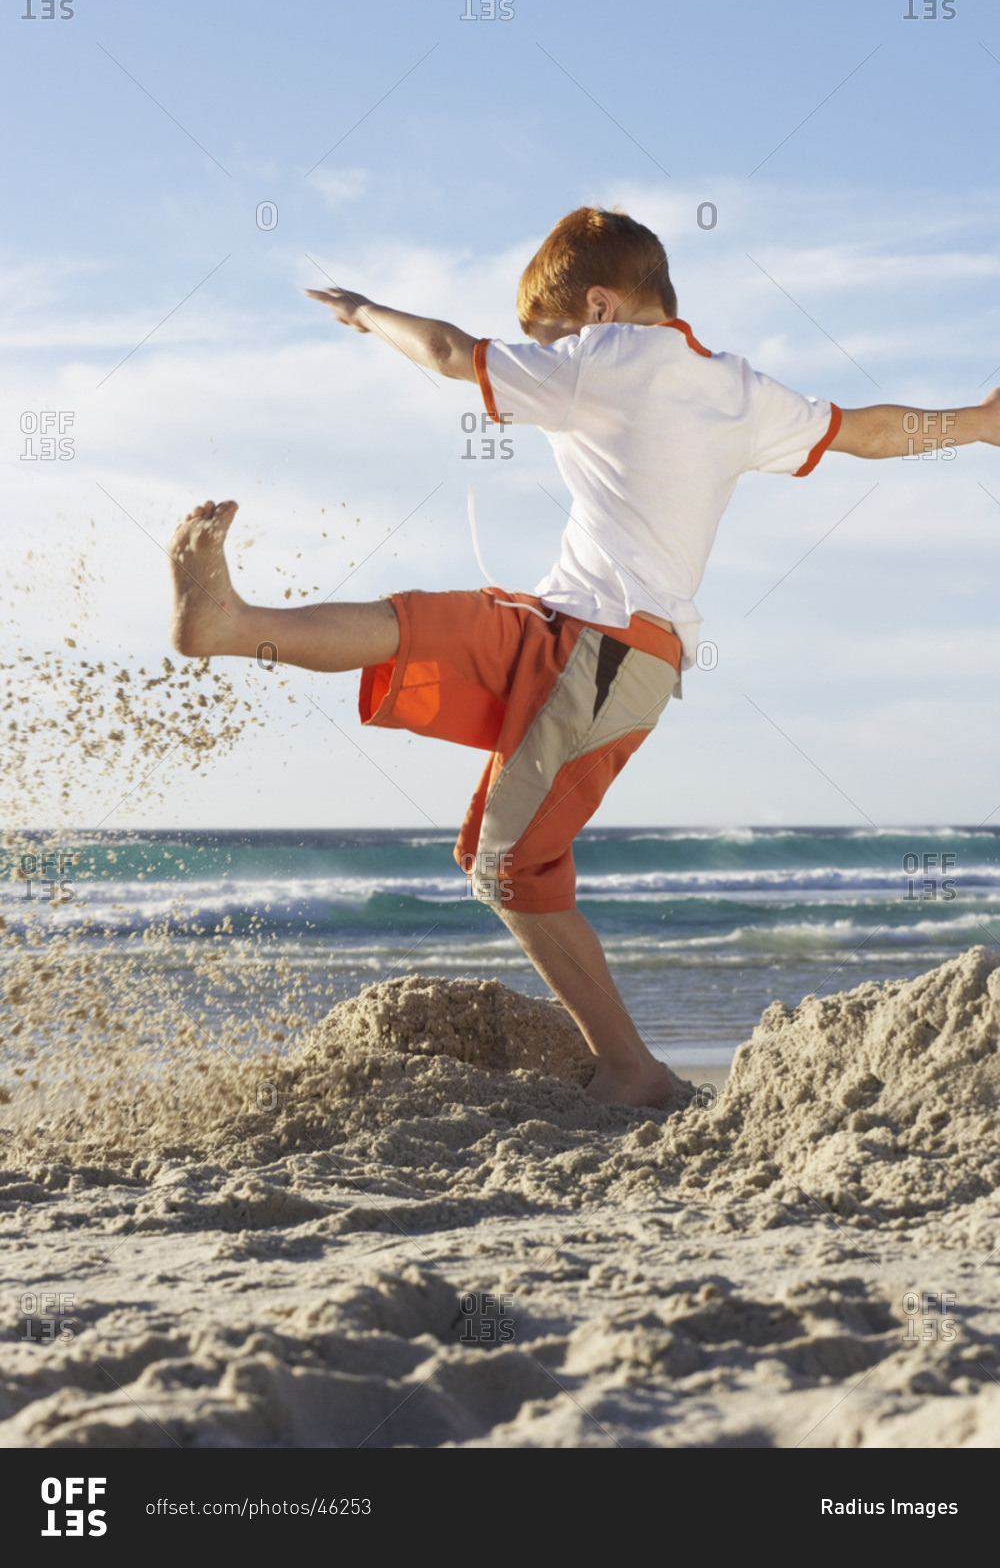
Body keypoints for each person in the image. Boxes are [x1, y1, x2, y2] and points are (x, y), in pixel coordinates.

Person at [167, 206, 1000, 1107]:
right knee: (414, 624)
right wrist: (979, 423)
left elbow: (450, 353)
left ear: (598, 306)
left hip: (610, 653)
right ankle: (226, 622)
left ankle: (630, 1068)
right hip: (561, 624)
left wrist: (368, 312)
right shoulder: (738, 389)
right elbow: (865, 430)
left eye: (550, 337)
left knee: (509, 867)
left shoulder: (602, 358)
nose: (547, 358)